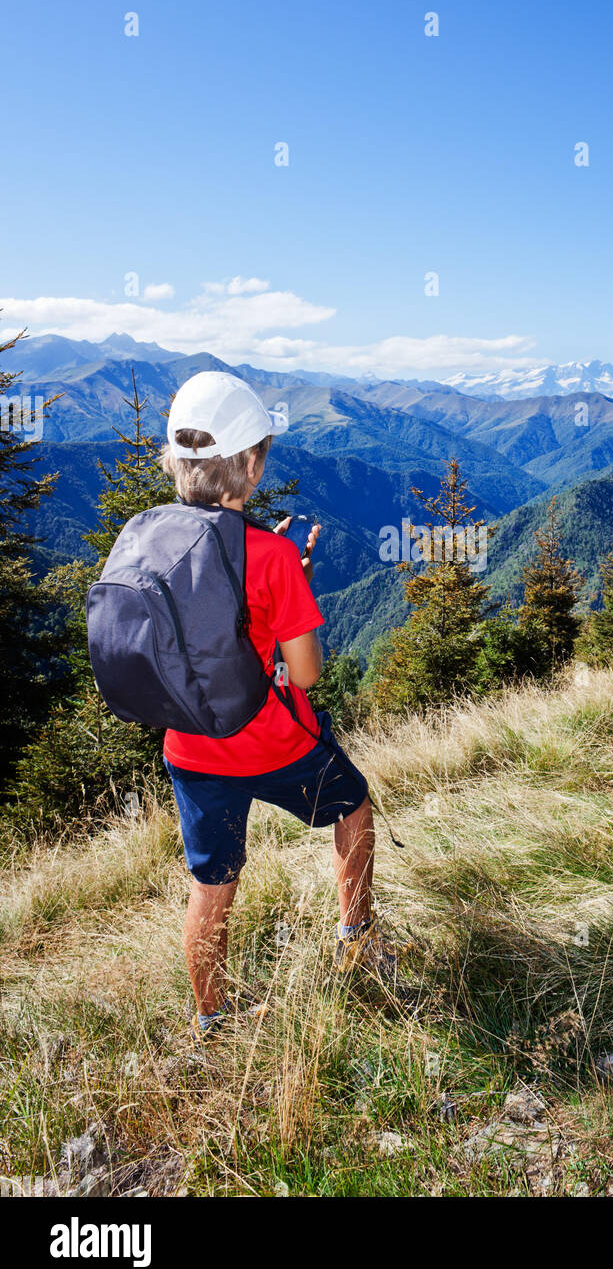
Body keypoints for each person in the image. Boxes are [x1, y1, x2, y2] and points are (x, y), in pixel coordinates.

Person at [159, 370, 395, 1042]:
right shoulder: (271, 553)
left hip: (190, 749)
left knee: (212, 884)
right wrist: (291, 582)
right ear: (253, 465)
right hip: (269, 743)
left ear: (178, 463)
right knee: (351, 804)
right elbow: (307, 674)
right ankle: (356, 936)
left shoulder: (154, 538)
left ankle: (211, 1017)